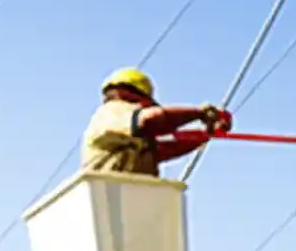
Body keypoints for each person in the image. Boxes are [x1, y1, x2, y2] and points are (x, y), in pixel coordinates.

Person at [81, 67, 234, 177]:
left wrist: (206, 135)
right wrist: (200, 113)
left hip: (129, 202)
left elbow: (164, 149)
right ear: (125, 93)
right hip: (110, 201)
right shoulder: (112, 112)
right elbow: (151, 119)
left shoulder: (129, 137)